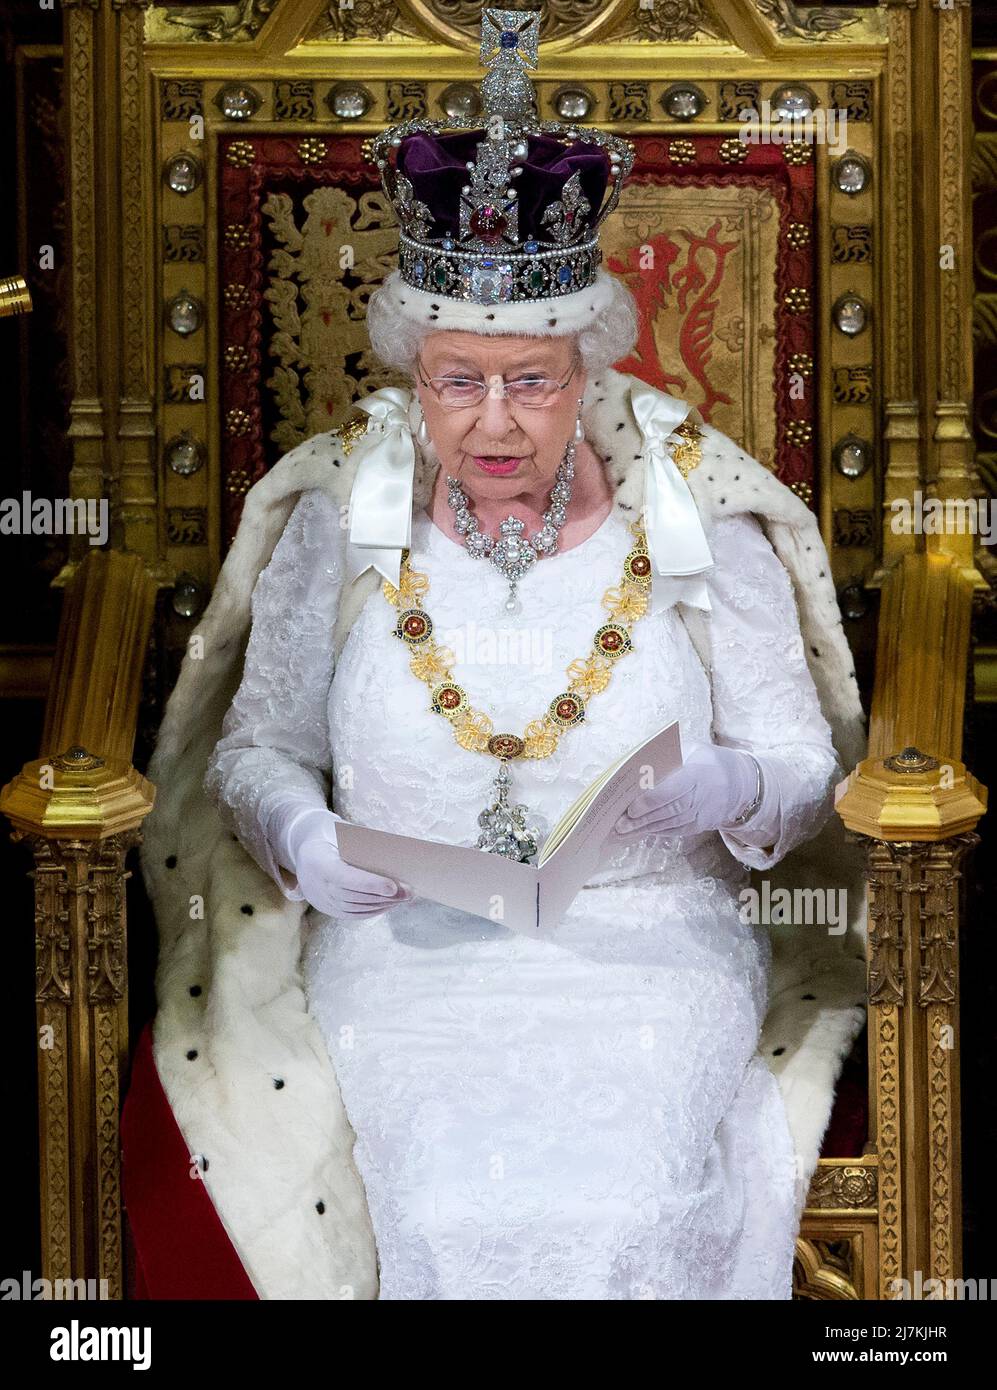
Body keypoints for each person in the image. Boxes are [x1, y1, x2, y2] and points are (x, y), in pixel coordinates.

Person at [129, 7, 868, 1300]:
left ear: (589, 368)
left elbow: (803, 763)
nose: (491, 420)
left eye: (528, 382)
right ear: (413, 373)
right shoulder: (338, 510)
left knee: (628, 1186)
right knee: (450, 1186)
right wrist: (301, 840)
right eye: (456, 380)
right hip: (406, 952)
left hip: (651, 940)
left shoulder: (696, 512)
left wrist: (730, 791)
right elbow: (254, 750)